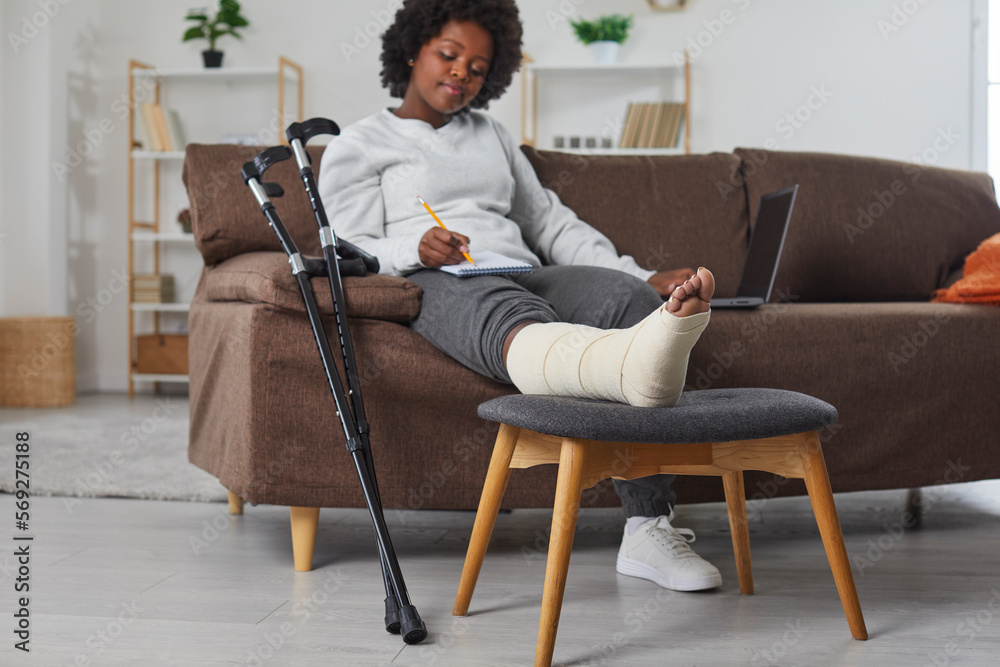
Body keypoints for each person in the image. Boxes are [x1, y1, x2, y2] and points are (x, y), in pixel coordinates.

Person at [319, 0, 721, 592]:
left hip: (521, 266)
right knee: (515, 317)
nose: (461, 74)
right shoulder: (359, 144)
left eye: (478, 68)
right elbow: (348, 248)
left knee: (630, 306)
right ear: (413, 49)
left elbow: (552, 223)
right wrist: (415, 246)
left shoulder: (492, 135)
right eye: (448, 55)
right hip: (442, 279)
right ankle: (623, 369)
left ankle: (647, 531)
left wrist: (638, 276)